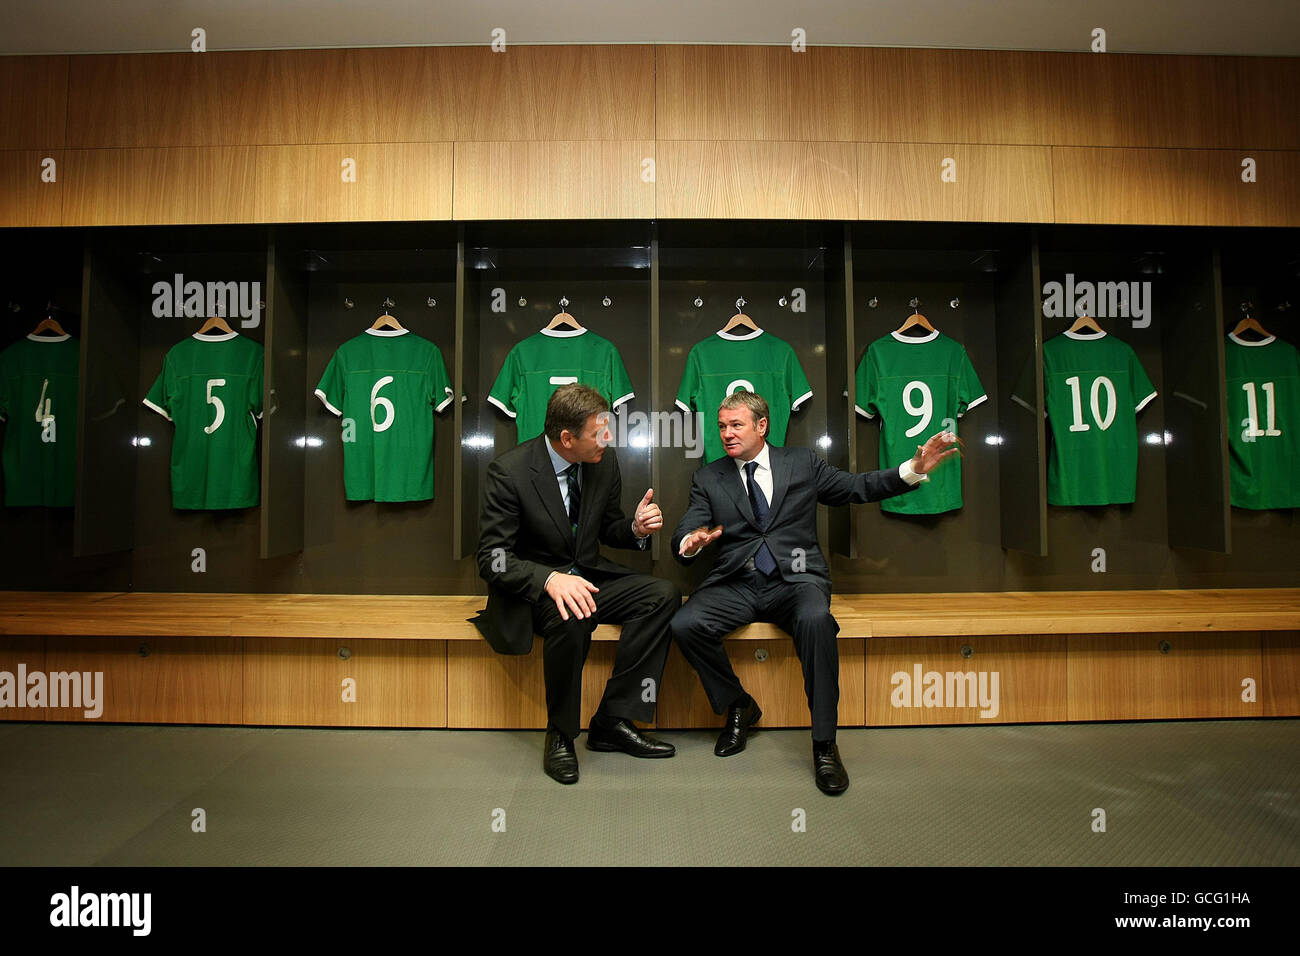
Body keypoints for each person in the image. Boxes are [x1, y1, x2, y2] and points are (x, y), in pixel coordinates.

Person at [669, 391, 959, 794]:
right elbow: (690, 525)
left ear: (761, 425)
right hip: (738, 582)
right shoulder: (708, 477)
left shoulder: (801, 463)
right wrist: (690, 541)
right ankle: (739, 705)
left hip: (797, 581)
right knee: (685, 623)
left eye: (736, 425)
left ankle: (824, 744)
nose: (727, 434)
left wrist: (912, 469)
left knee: (817, 620)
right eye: (722, 426)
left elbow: (856, 488)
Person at [473, 383, 681, 785]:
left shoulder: (602, 462)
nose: (608, 438)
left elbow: (607, 528)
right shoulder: (510, 471)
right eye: (599, 432)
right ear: (567, 438)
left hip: (587, 575)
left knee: (662, 595)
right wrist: (549, 579)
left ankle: (612, 721)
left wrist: (635, 528)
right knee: (573, 615)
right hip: (535, 590)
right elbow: (493, 559)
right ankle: (561, 734)